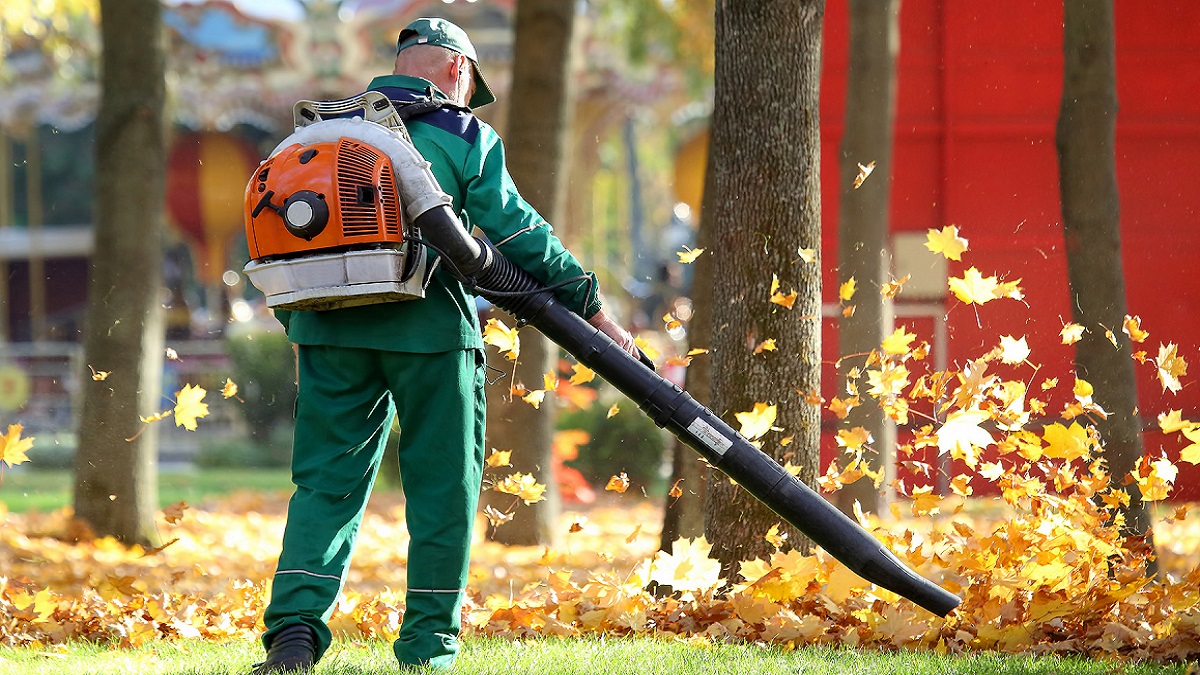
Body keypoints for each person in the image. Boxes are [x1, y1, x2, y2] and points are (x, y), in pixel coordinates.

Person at [251, 17, 639, 675]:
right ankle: (427, 648)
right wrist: (595, 311)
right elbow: (518, 237)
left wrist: (304, 330)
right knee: (443, 490)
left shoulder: (319, 133)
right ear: (459, 71)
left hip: (326, 331)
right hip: (427, 333)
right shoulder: (462, 133)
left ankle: (292, 633)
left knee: (323, 486)